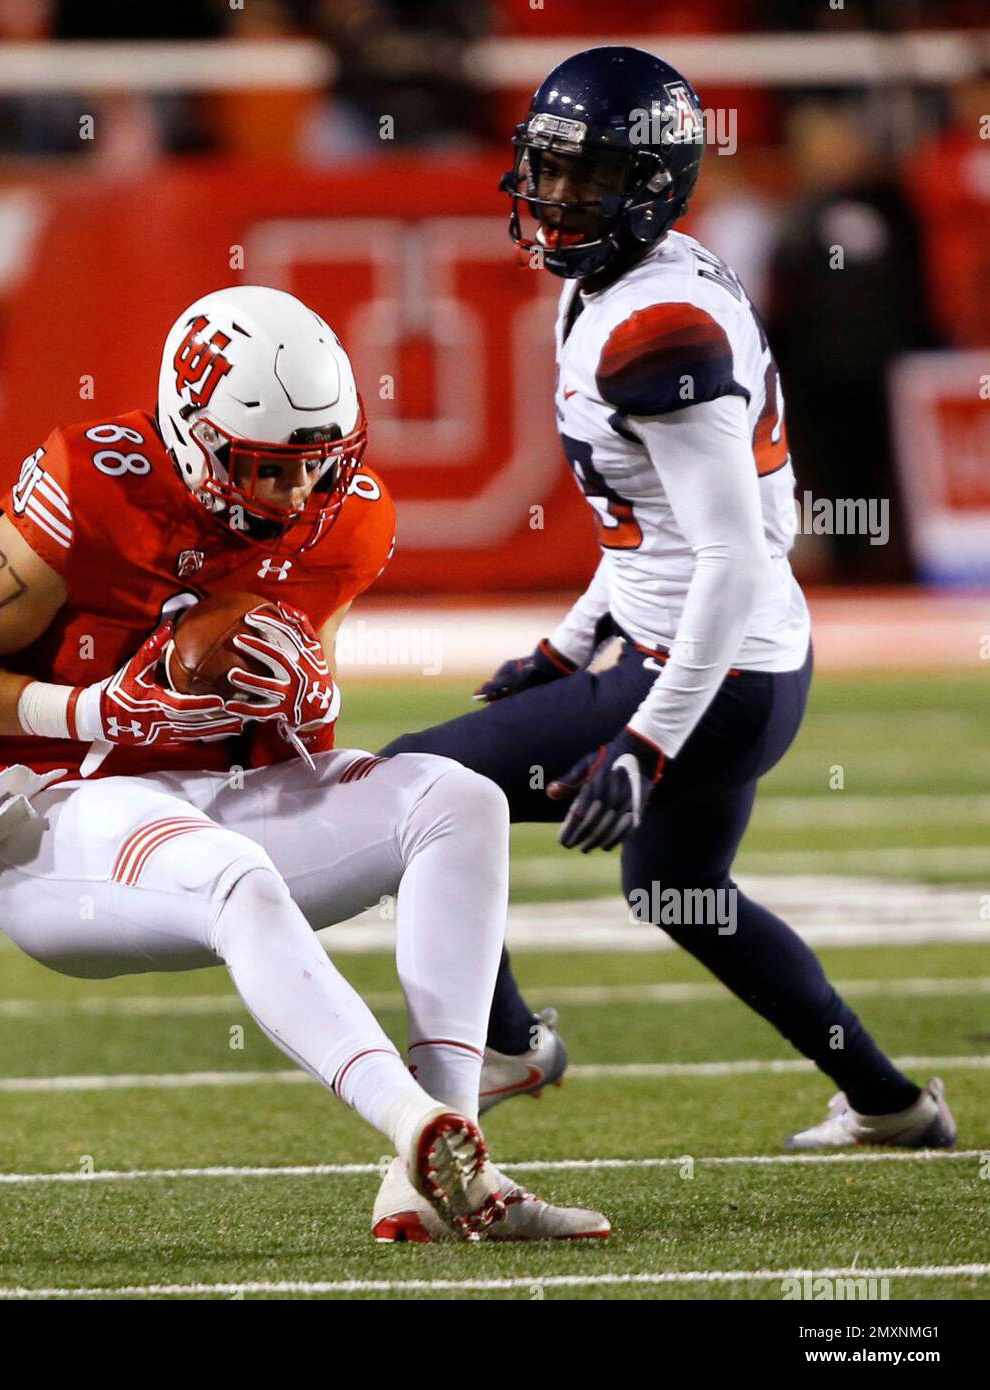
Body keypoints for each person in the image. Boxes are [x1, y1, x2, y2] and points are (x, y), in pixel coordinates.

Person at [0, 285, 609, 1243]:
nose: (296, 495)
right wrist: (98, 706)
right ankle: (410, 1122)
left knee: (458, 800)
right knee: (234, 874)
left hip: (212, 789)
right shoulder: (98, 490)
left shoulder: (345, 519)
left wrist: (308, 702)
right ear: (192, 437)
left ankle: (443, 1162)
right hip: (55, 813)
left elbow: (296, 725)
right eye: (266, 469)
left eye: (318, 465)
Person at [383, 48, 956, 1153]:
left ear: (650, 187)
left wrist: (645, 739)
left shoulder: (657, 326)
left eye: (586, 179)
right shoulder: (635, 280)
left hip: (712, 670)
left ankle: (503, 1042)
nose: (554, 199)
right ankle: (891, 1103)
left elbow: (732, 551)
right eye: (545, 169)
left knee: (422, 782)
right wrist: (568, 645)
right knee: (679, 889)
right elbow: (659, 523)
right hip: (737, 659)